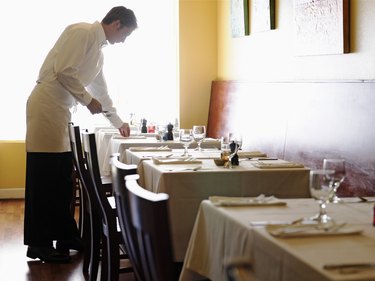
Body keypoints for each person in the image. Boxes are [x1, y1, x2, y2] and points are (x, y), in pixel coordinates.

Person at [24, 6, 138, 263]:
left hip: (61, 110)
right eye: (126, 34)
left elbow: (102, 91)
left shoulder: (98, 52)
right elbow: (64, 70)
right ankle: (38, 244)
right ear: (117, 24)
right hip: (46, 108)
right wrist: (88, 101)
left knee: (62, 179)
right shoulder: (82, 32)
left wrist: (118, 121)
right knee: (44, 178)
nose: (123, 41)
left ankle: (66, 236)